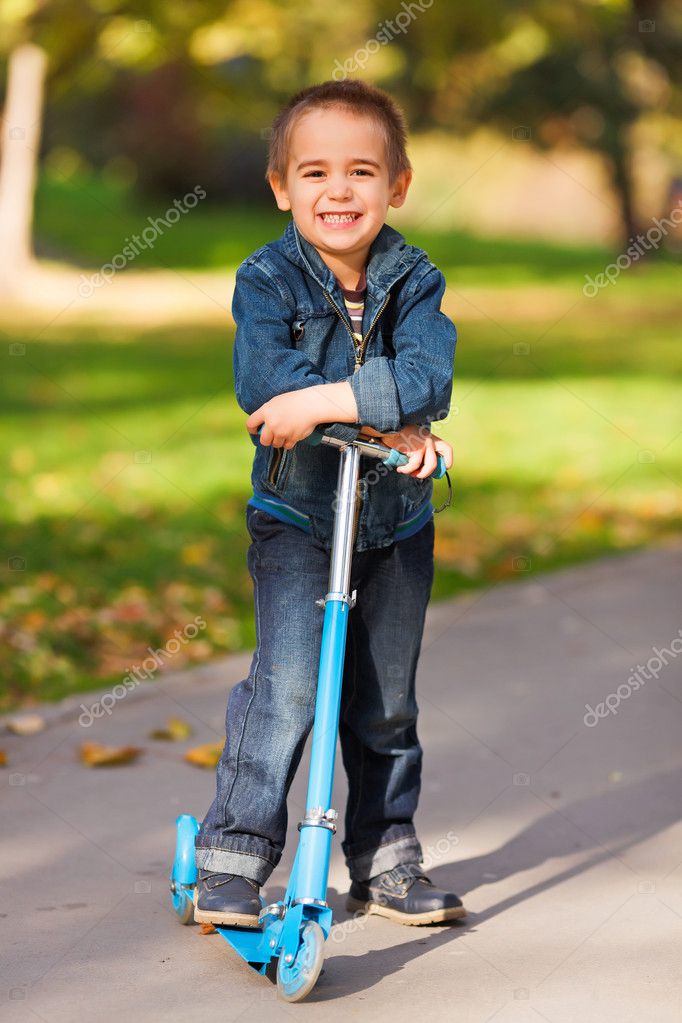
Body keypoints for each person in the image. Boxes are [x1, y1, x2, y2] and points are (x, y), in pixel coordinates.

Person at [194, 79, 465, 928]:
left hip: (396, 524)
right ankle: (234, 855)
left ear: (398, 185)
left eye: (361, 171)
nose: (338, 190)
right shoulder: (267, 279)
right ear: (282, 187)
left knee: (386, 702)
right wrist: (383, 421)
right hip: (299, 521)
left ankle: (384, 857)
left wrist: (329, 402)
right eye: (314, 172)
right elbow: (268, 389)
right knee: (288, 689)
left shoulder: (415, 279)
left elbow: (430, 376)